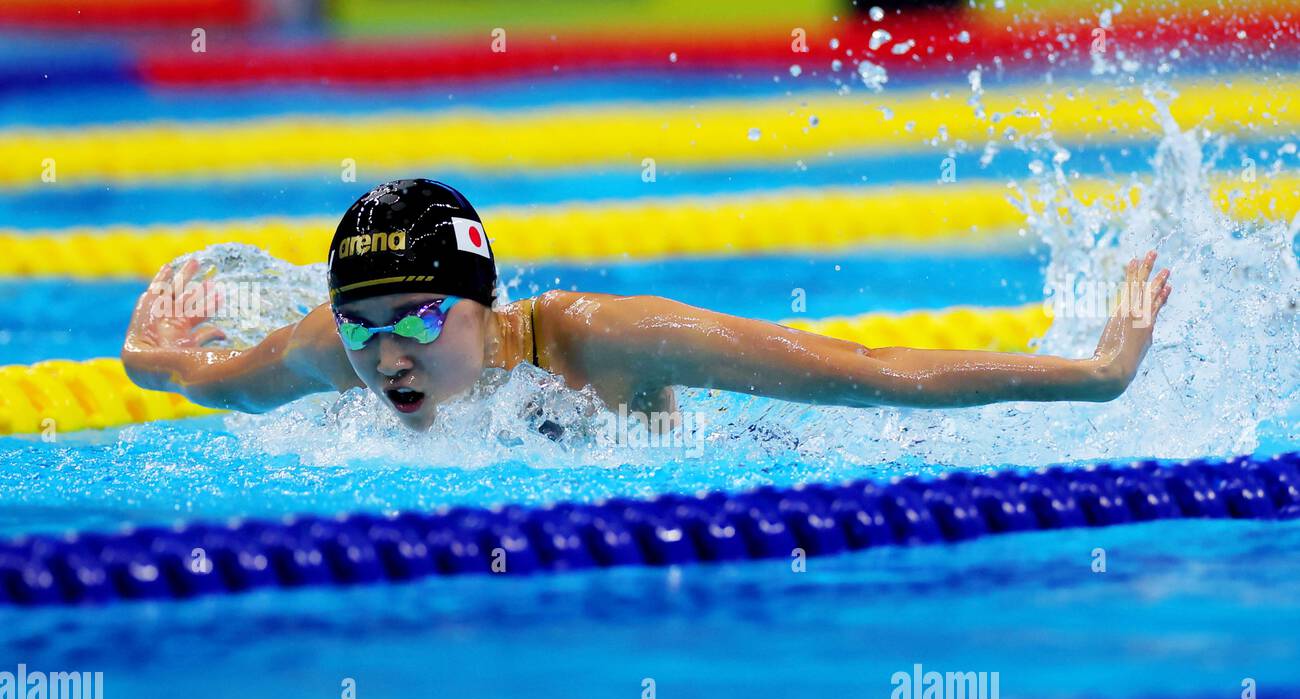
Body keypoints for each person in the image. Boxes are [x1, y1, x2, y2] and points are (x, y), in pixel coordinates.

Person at [121, 178, 1173, 434]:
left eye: (419, 315)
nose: (384, 351)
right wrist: (148, 363)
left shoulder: (601, 341)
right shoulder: (334, 344)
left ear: (486, 305)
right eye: (363, 320)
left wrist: (1095, 371)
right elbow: (218, 383)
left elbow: (873, 371)